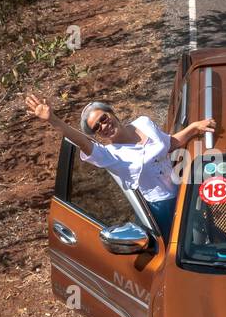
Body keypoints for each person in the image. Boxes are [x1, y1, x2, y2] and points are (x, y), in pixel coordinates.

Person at [24, 93, 215, 240]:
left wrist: (194, 128)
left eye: (103, 119)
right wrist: (53, 120)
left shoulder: (144, 123)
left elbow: (170, 144)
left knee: (207, 236)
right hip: (161, 210)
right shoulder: (111, 156)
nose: (103, 126)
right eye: (97, 128)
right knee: (179, 253)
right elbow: (81, 141)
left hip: (184, 193)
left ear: (111, 113)